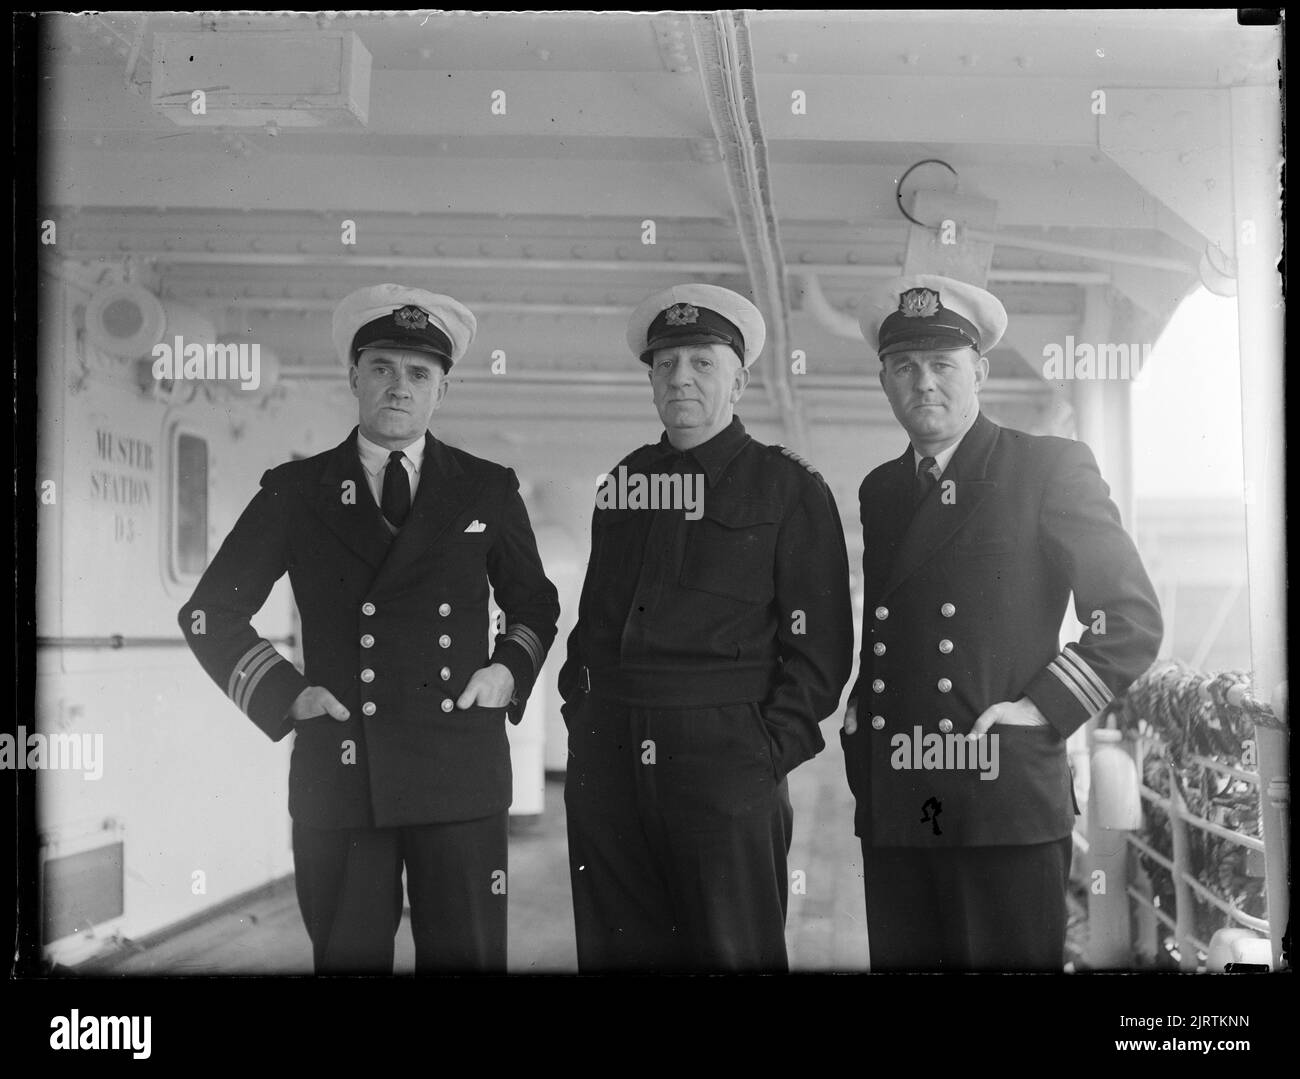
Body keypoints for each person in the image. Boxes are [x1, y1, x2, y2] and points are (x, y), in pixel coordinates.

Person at [179, 283, 560, 973]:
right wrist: (286, 694)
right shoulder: (295, 493)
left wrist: (507, 669)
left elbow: (536, 603)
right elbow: (209, 612)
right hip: (343, 769)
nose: (398, 386)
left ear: (442, 389)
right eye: (382, 367)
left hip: (459, 771)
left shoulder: (487, 488)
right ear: (353, 375)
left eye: (419, 373)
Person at [843, 273, 1162, 970]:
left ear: (979, 371)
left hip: (999, 801)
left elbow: (1129, 617)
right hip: (899, 802)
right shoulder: (883, 490)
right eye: (904, 366)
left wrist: (1040, 708)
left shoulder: (1047, 467)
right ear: (885, 380)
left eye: (941, 364)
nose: (923, 382)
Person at [559, 283, 854, 972]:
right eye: (665, 364)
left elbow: (821, 650)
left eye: (700, 362)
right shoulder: (626, 481)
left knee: (730, 953)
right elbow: (594, 624)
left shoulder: (788, 488)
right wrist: (585, 722)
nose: (680, 378)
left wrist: (762, 753)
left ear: (739, 379)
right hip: (610, 758)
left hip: (724, 755)